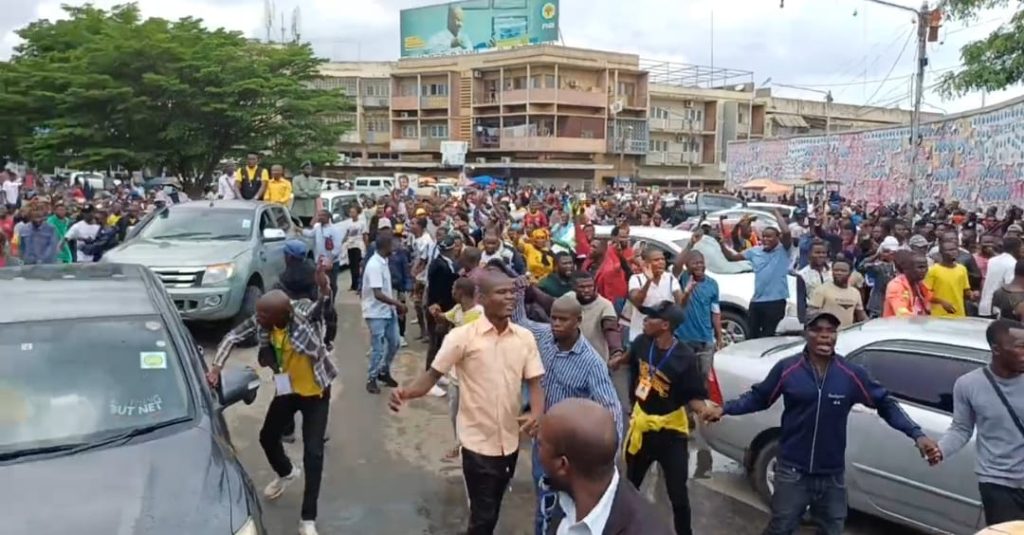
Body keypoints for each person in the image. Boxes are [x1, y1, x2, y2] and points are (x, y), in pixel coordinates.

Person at [705, 311, 941, 535]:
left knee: (832, 529)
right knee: (781, 527)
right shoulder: (788, 369)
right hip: (792, 471)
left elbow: (885, 403)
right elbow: (759, 398)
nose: (825, 335)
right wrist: (724, 409)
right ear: (806, 333)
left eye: (831, 330)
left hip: (831, 475)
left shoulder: (850, 374)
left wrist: (917, 435)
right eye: (817, 330)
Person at [389, 272, 545, 535]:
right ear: (482, 298)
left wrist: (537, 413)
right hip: (476, 444)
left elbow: (535, 382)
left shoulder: (524, 338)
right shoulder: (462, 337)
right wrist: (406, 392)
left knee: (492, 506)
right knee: (483, 515)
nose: (510, 297)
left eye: (511, 292)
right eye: (502, 292)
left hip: (510, 442)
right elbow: (432, 376)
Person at [206, 267, 336, 535]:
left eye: (265, 314)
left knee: (314, 454)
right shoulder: (263, 321)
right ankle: (287, 473)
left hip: (315, 392)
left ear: (282, 315)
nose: (259, 317)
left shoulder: (302, 318)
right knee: (267, 436)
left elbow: (321, 305)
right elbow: (232, 336)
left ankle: (307, 519)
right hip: (286, 387)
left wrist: (323, 286)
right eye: (259, 313)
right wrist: (216, 367)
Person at [510, 286, 622, 535]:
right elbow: (519, 322)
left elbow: (611, 409)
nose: (556, 324)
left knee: (569, 508)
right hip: (544, 443)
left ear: (578, 321)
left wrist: (607, 459)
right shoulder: (543, 338)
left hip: (572, 452)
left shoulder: (591, 363)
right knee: (544, 505)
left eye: (563, 319)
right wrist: (517, 289)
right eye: (553, 318)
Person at [608, 301, 715, 535]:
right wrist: (616, 361)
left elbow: (694, 397)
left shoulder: (685, 357)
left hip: (671, 433)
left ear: (665, 325)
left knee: (678, 496)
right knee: (629, 488)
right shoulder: (641, 342)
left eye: (650, 318)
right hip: (642, 429)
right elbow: (628, 357)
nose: (645, 321)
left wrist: (703, 410)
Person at [538, 398, 674, 535]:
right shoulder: (564, 500)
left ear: (562, 465)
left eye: (540, 445)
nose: (537, 452)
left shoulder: (647, 530)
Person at [936, 318, 1024, 525]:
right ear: (997, 349)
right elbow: (961, 428)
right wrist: (940, 450)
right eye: (1020, 347)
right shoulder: (968, 385)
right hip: (998, 484)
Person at [673, 248, 723, 478]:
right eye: (694, 263)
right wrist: (691, 244)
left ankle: (699, 417)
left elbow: (715, 312)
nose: (698, 266)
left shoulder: (712, 285)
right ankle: (684, 415)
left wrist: (719, 336)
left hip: (706, 341)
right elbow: (676, 266)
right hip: (685, 340)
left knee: (702, 382)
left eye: (701, 262)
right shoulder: (683, 280)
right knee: (685, 379)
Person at [429, 277, 484, 459]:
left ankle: (471, 447)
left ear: (460, 292)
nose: (451, 291)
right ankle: (460, 444)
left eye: (453, 288)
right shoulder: (458, 310)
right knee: (455, 414)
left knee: (471, 414)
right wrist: (437, 313)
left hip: (473, 376)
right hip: (455, 375)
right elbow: (445, 318)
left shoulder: (478, 315)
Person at [720, 214, 793, 338]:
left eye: (769, 237)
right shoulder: (754, 251)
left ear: (777, 238)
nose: (765, 239)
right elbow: (731, 258)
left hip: (776, 302)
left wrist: (776, 213)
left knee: (768, 336)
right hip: (757, 302)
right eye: (764, 236)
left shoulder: (783, 251)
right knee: (752, 336)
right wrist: (722, 244)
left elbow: (786, 232)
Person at [362, 235, 405, 394]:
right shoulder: (374, 265)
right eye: (392, 243)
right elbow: (378, 294)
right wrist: (398, 304)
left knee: (395, 343)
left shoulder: (384, 261)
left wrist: (394, 306)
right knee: (378, 348)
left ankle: (383, 371)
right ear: (385, 246)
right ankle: (371, 378)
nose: (395, 246)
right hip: (375, 312)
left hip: (387, 311)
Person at [627, 248, 683, 344]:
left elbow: (680, 302)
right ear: (646, 264)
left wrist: (687, 293)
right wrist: (649, 281)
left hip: (663, 338)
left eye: (662, 259)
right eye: (656, 260)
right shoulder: (636, 279)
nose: (661, 262)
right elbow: (637, 301)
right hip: (640, 335)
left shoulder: (670, 278)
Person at [808, 258, 866, 327]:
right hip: (828, 333)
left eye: (843, 271)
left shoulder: (855, 292)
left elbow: (861, 316)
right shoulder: (821, 289)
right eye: (836, 270)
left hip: (847, 333)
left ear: (850, 273)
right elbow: (811, 314)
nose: (839, 273)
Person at [926, 240, 974, 318]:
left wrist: (972, 294)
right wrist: (942, 302)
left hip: (958, 313)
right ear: (941, 253)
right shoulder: (933, 270)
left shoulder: (962, 269)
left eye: (955, 249)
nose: (953, 252)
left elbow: (966, 291)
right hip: (939, 315)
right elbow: (925, 294)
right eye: (949, 250)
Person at [303, 210, 344, 298]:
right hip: (319, 262)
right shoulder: (317, 228)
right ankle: (323, 301)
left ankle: (331, 302)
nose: (320, 217)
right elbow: (310, 234)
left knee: (331, 283)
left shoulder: (334, 230)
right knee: (320, 283)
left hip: (331, 262)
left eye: (322, 215)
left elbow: (337, 247)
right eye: (319, 215)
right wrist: (298, 230)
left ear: (328, 217)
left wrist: (329, 259)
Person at [981, 237, 1023, 317]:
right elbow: (1009, 287)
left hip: (985, 304)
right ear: (1016, 249)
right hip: (997, 308)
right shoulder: (1012, 264)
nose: (1022, 250)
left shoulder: (992, 260)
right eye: (1021, 248)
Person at [338, 205, 368, 292]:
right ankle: (353, 284)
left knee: (357, 266)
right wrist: (342, 242)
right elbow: (347, 234)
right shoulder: (349, 223)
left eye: (353, 212)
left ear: (357, 213)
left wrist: (366, 246)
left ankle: (358, 284)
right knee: (352, 266)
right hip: (350, 245)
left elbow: (365, 235)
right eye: (350, 212)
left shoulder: (361, 223)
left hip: (358, 245)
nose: (351, 214)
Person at [291, 162, 320, 226]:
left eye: (310, 168)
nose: (308, 170)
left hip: (310, 211)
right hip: (298, 211)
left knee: (306, 229)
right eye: (307, 168)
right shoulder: (296, 179)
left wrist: (305, 191)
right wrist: (311, 194)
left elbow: (317, 194)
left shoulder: (315, 181)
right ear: (302, 170)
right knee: (297, 228)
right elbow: (297, 193)